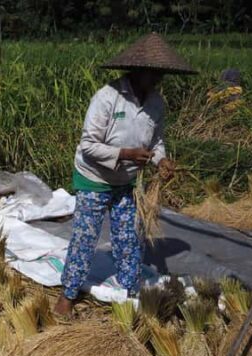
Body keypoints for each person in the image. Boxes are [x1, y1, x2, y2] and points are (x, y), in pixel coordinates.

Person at [53, 33, 197, 317]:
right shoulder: (107, 98)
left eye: (161, 74)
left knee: (130, 238)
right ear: (137, 70)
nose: (158, 80)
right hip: (94, 177)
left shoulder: (156, 103)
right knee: (85, 238)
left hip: (126, 182)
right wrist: (126, 154)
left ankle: (131, 295)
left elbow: (155, 143)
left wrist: (162, 160)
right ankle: (67, 296)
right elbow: (89, 145)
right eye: (153, 74)